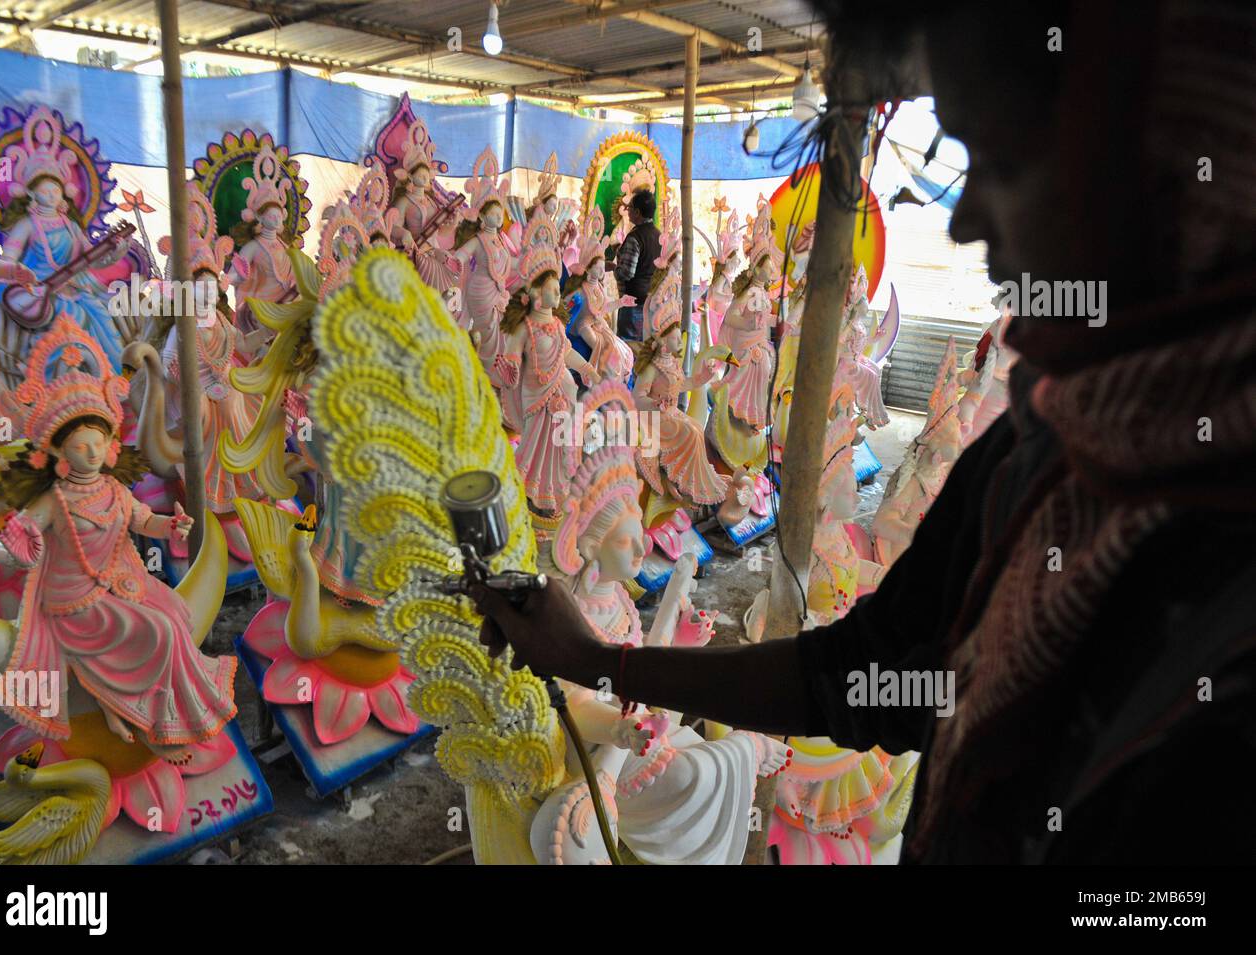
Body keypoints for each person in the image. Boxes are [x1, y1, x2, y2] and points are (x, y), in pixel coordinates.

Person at [468, 0, 1256, 864]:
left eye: (1008, 156)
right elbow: (863, 674)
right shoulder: (1033, 449)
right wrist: (601, 660)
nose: (966, 220)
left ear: (1181, 149)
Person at [606, 190, 660, 341]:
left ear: (637, 212)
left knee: (630, 349)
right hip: (652, 303)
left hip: (633, 304)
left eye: (629, 208)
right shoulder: (658, 235)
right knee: (646, 350)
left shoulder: (635, 237)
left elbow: (626, 273)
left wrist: (613, 267)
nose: (627, 211)